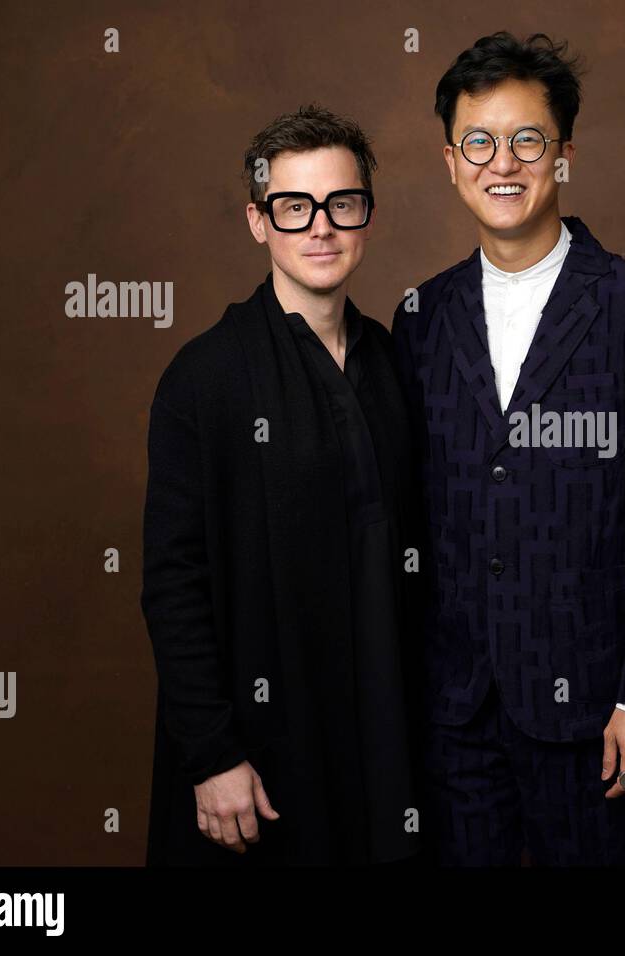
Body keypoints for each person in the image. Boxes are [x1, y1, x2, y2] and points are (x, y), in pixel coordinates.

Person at [390, 32, 625, 866]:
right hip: (458, 712)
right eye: (478, 142)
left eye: (527, 139)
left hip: (598, 714)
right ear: (451, 161)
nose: (503, 163)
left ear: (562, 153)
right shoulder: (420, 320)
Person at [140, 105, 423, 865]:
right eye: (294, 207)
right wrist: (209, 751)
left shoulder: (395, 365)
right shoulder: (205, 378)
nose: (320, 227)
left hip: (385, 733)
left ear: (367, 216)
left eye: (342, 204)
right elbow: (173, 581)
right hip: (263, 745)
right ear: (259, 221)